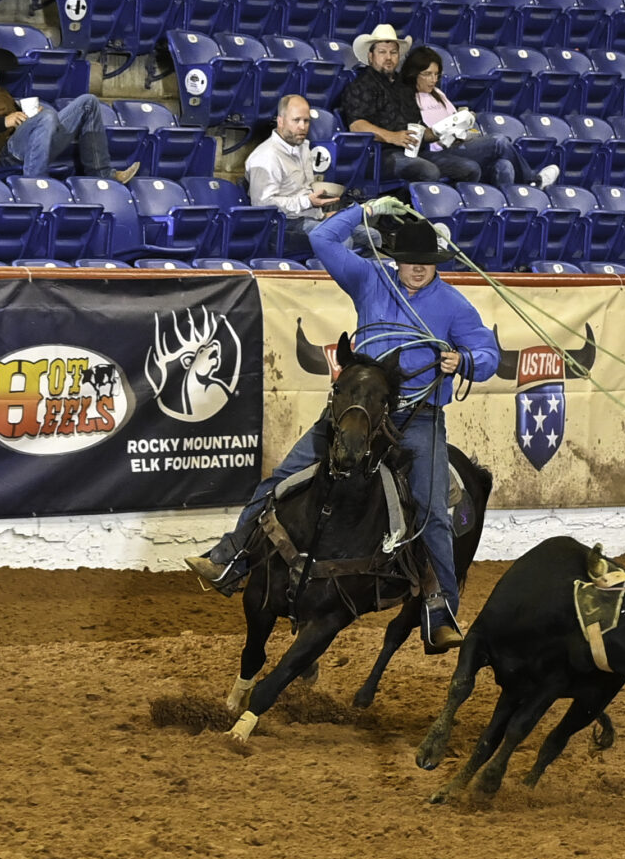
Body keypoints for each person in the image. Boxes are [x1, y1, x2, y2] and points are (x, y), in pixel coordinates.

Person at [184, 196, 498, 654]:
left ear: (436, 265)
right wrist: (366, 211)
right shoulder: (370, 278)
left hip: (417, 416)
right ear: (396, 260)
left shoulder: (454, 305)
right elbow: (321, 237)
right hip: (361, 410)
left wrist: (464, 360)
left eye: (424, 262)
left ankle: (440, 606)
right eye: (409, 261)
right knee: (283, 477)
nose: (416, 269)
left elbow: (489, 355)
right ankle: (229, 556)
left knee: (432, 510)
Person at [0, 34, 134, 183]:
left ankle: (103, 174)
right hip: (4, 153)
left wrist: (30, 115)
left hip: (30, 141)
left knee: (88, 102)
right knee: (48, 116)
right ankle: (36, 184)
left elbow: (20, 115)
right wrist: (3, 122)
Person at [400, 45, 552, 190]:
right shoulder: (408, 97)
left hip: (458, 144)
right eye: (427, 74)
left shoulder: (438, 94)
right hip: (438, 151)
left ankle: (507, 210)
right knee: (498, 141)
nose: (433, 79)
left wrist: (465, 125)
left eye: (436, 74)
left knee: (504, 165)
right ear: (413, 73)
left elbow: (455, 119)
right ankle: (532, 182)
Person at [245, 93, 363, 249]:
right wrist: (308, 201)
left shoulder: (303, 147)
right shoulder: (266, 156)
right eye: (296, 120)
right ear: (280, 121)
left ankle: (355, 273)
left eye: (306, 121)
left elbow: (305, 190)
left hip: (309, 217)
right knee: (341, 241)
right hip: (280, 225)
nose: (303, 126)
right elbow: (262, 204)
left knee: (371, 236)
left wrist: (321, 214)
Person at [339, 23, 446, 185]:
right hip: (379, 155)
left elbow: (418, 128)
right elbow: (357, 125)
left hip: (412, 151)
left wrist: (444, 131)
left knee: (468, 168)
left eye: (393, 52)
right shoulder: (361, 85)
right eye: (382, 52)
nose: (388, 57)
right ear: (371, 56)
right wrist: (393, 137)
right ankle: (407, 206)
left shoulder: (404, 86)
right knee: (429, 171)